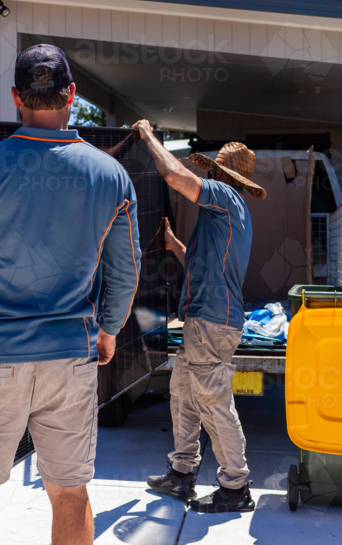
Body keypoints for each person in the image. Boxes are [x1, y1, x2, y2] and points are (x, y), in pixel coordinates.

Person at [0, 44, 141, 545]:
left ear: (14, 98)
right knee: (70, 492)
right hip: (71, 356)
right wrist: (108, 331)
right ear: (71, 94)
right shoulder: (110, 175)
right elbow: (126, 272)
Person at [134, 120, 265, 514]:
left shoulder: (224, 196)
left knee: (213, 401)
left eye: (212, 170)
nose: (208, 173)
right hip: (203, 319)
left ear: (223, 174)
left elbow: (175, 176)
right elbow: (203, 265)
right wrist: (174, 244)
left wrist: (147, 136)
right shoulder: (229, 214)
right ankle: (181, 472)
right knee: (183, 392)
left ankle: (235, 485)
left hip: (213, 321)